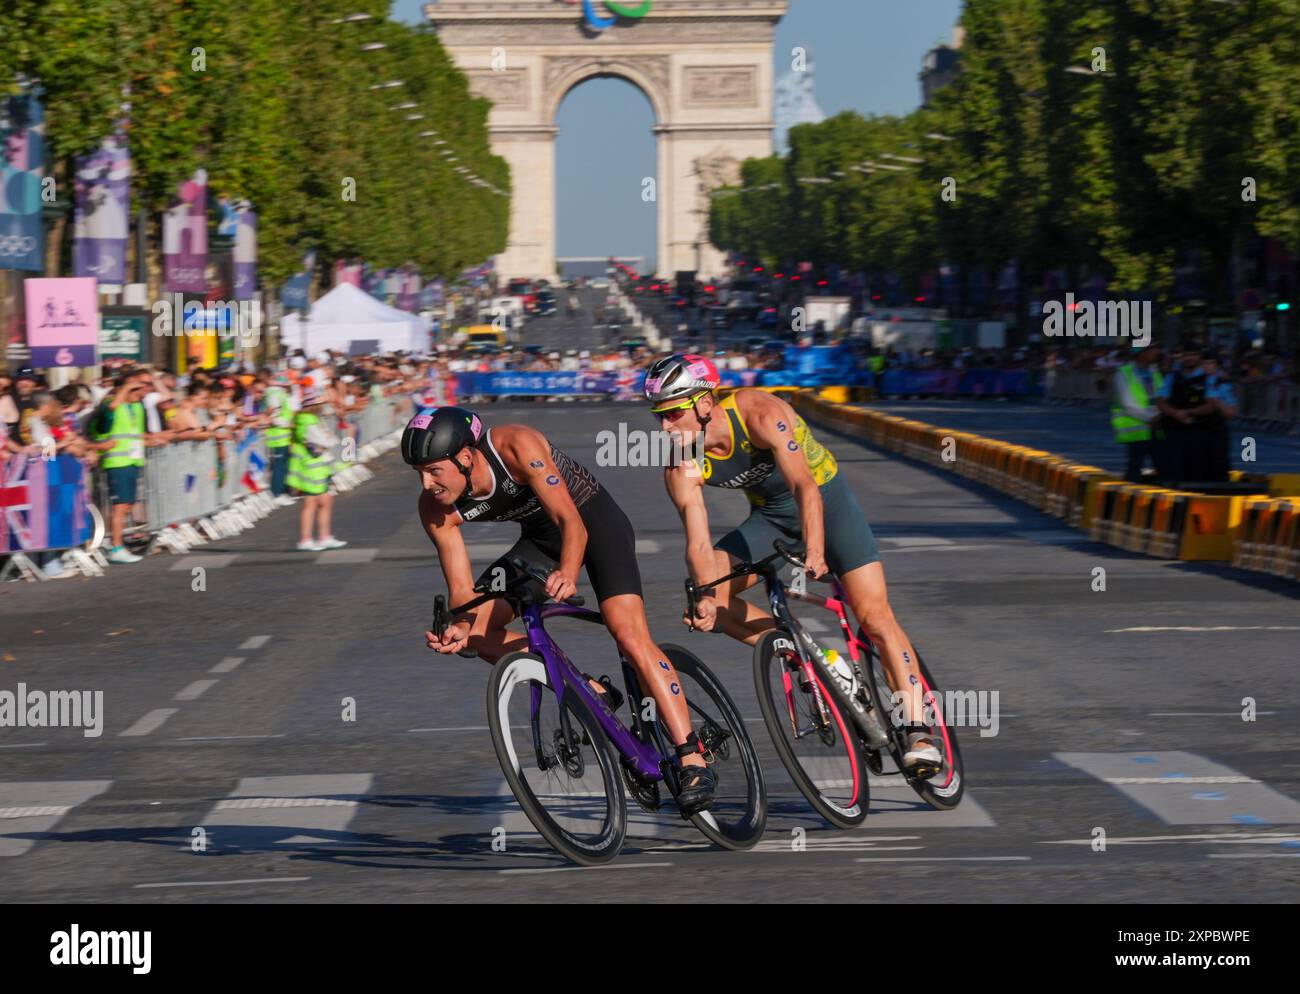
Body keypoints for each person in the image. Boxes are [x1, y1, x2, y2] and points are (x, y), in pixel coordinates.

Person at [403, 406, 717, 813]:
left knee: (627, 633)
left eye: (432, 470)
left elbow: (572, 522)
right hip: (541, 543)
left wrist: (569, 573)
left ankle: (691, 756)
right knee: (478, 633)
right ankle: (590, 688)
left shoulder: (517, 445)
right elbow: (462, 591)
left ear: (465, 457)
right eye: (419, 473)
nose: (426, 484)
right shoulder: (435, 507)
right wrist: (460, 626)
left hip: (593, 523)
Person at [644, 353, 942, 778]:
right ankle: (810, 657)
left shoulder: (760, 413)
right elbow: (698, 544)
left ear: (705, 403)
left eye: (673, 414)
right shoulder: (680, 464)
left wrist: (817, 551)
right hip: (771, 518)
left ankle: (919, 732)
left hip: (827, 504)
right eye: (659, 417)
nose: (665, 427)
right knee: (708, 598)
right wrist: (706, 593)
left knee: (875, 617)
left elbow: (805, 485)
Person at [88, 366, 159, 564]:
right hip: (117, 462)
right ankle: (116, 547)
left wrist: (151, 439)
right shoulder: (112, 404)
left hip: (132, 461)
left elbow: (134, 434)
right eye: (137, 389)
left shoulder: (136, 407)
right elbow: (107, 416)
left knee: (126, 506)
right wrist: (125, 388)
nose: (142, 392)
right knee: (119, 507)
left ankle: (118, 542)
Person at [1156, 349, 1238, 483]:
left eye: (1211, 363)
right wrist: (1176, 414)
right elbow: (1161, 400)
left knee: (1213, 469)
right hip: (1182, 431)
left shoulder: (1219, 381)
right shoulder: (1174, 376)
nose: (1208, 366)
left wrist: (1186, 412)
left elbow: (1228, 411)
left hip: (1210, 431)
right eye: (1206, 363)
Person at [286, 383, 346, 551]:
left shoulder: (312, 419)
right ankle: (305, 539)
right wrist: (332, 439)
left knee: (326, 501)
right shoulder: (307, 421)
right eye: (319, 403)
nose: (322, 406)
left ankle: (324, 536)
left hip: (320, 467)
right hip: (310, 468)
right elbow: (325, 440)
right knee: (310, 503)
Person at [1111, 344, 1166, 482]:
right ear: (1141, 352)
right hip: (1137, 430)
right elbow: (1127, 404)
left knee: (1164, 467)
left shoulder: (1155, 372)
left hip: (1157, 427)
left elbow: (1161, 397)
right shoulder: (1123, 373)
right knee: (1135, 469)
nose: (1156, 351)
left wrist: (1160, 416)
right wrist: (1150, 418)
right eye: (1151, 349)